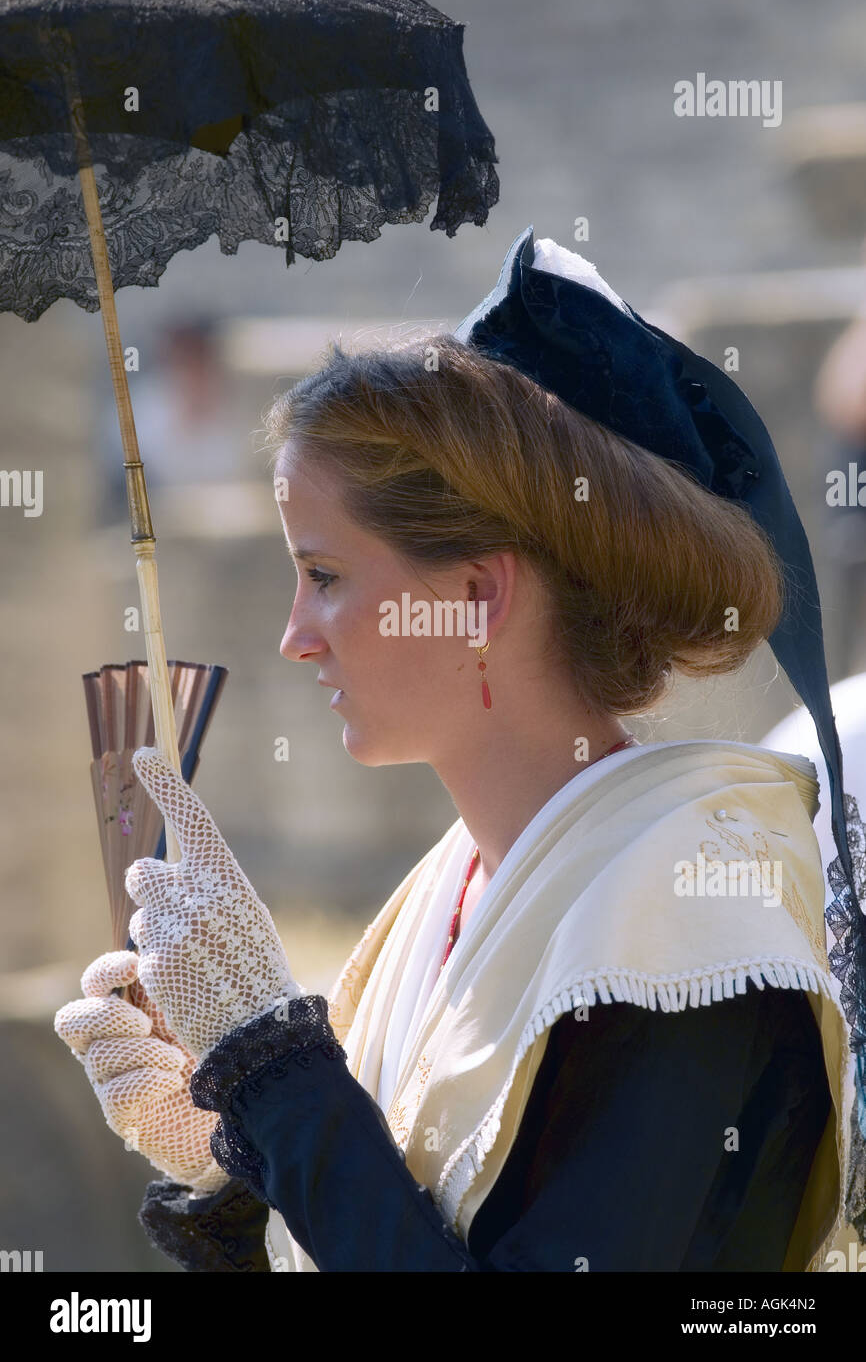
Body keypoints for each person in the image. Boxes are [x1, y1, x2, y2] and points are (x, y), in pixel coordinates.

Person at [55, 230, 866, 1273]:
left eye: (328, 575)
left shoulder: (680, 914)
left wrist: (273, 1068)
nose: (293, 633)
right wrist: (229, 1154)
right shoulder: (447, 891)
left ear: (474, 601)